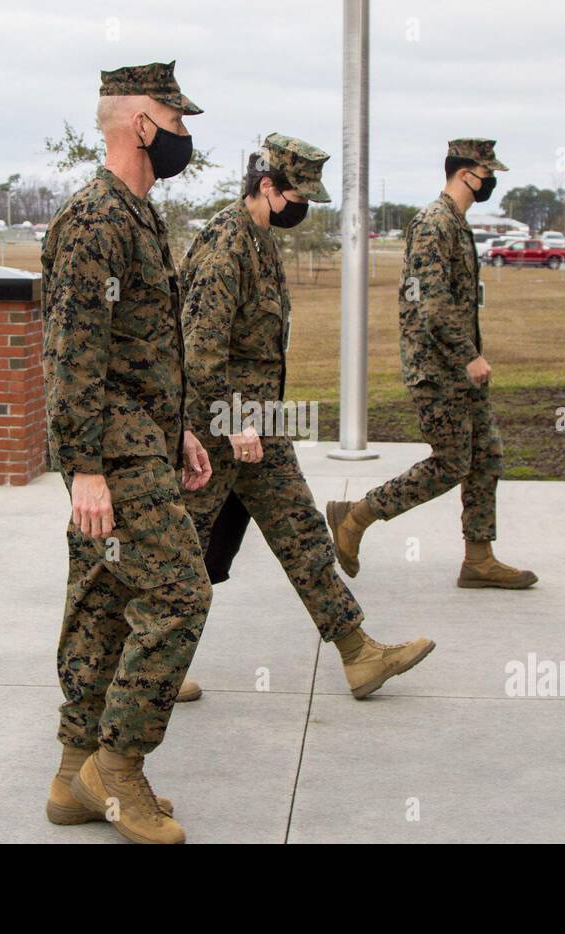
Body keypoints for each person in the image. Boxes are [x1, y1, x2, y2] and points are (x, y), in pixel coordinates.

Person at [178, 133, 434, 701]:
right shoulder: (226, 245)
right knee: (177, 559)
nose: (302, 208)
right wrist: (235, 421)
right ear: (266, 187)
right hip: (218, 431)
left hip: (260, 427)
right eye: (297, 195)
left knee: (302, 533)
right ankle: (139, 676)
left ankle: (359, 653)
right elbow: (199, 351)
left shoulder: (260, 240)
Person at [41, 60, 212, 845]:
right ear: (142, 124)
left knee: (104, 601)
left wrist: (177, 426)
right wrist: (84, 469)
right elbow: (74, 353)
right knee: (180, 594)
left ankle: (73, 774)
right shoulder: (93, 220)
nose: (185, 138)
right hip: (111, 451)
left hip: (142, 439)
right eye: (177, 124)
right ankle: (118, 765)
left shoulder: (140, 216)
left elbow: (136, 347)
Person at [328, 139, 538, 590]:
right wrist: (469, 355)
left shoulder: (456, 223)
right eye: (487, 173)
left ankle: (479, 558)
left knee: (487, 456)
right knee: (450, 463)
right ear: (466, 173)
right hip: (438, 369)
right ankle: (356, 516)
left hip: (459, 370)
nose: (491, 182)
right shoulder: (433, 223)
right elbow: (432, 305)